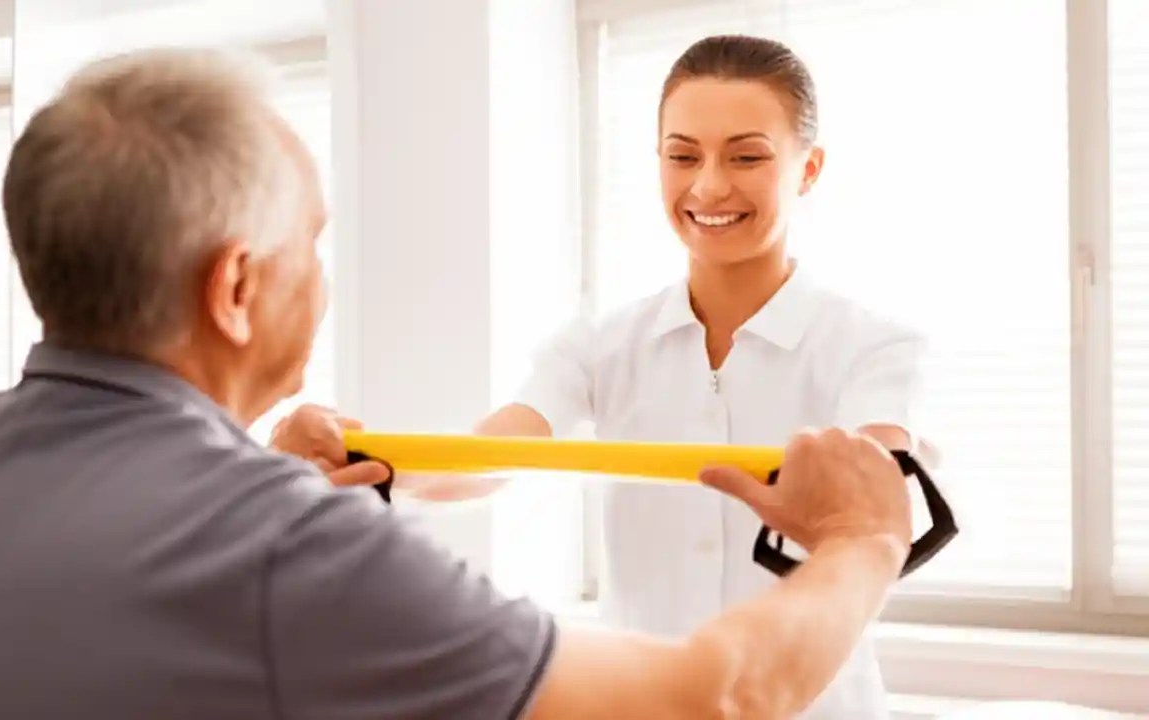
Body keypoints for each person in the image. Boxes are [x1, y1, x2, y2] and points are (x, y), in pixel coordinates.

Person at [0, 46, 913, 720]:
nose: (707, 186)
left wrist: (256, 477)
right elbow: (714, 697)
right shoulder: (285, 547)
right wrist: (864, 538)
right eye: (313, 246)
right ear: (236, 286)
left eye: (744, 156)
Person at [295, 34, 932, 719]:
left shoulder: (871, 347)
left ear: (808, 168)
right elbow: (491, 454)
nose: (709, 185)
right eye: (683, 155)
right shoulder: (602, 344)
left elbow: (878, 494)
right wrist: (369, 460)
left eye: (746, 156)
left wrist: (860, 504)